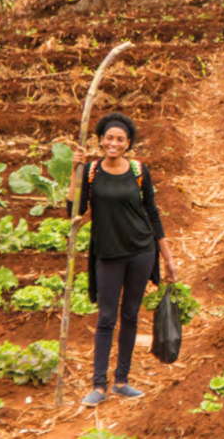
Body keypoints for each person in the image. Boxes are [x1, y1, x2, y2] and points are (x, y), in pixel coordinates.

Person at [67, 112, 179, 407]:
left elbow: (152, 214)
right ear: (101, 140)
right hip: (108, 253)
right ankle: (98, 386)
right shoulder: (91, 171)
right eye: (109, 138)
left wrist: (167, 257)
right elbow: (75, 210)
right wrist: (75, 171)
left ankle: (121, 381)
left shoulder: (139, 171)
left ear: (128, 143)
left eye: (120, 139)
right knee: (106, 318)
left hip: (141, 251)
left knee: (130, 315)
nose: (113, 143)